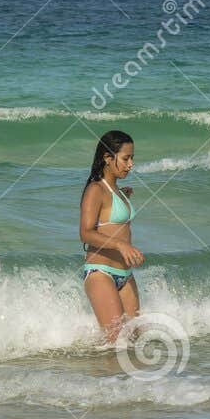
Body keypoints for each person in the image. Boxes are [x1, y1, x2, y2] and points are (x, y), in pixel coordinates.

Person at [78, 130, 144, 340]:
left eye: (132, 158)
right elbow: (85, 233)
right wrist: (120, 245)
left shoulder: (115, 190)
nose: (130, 164)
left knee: (133, 339)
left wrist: (122, 196)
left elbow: (113, 220)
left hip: (125, 276)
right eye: (125, 158)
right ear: (108, 158)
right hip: (101, 273)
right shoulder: (95, 190)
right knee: (116, 342)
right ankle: (93, 372)